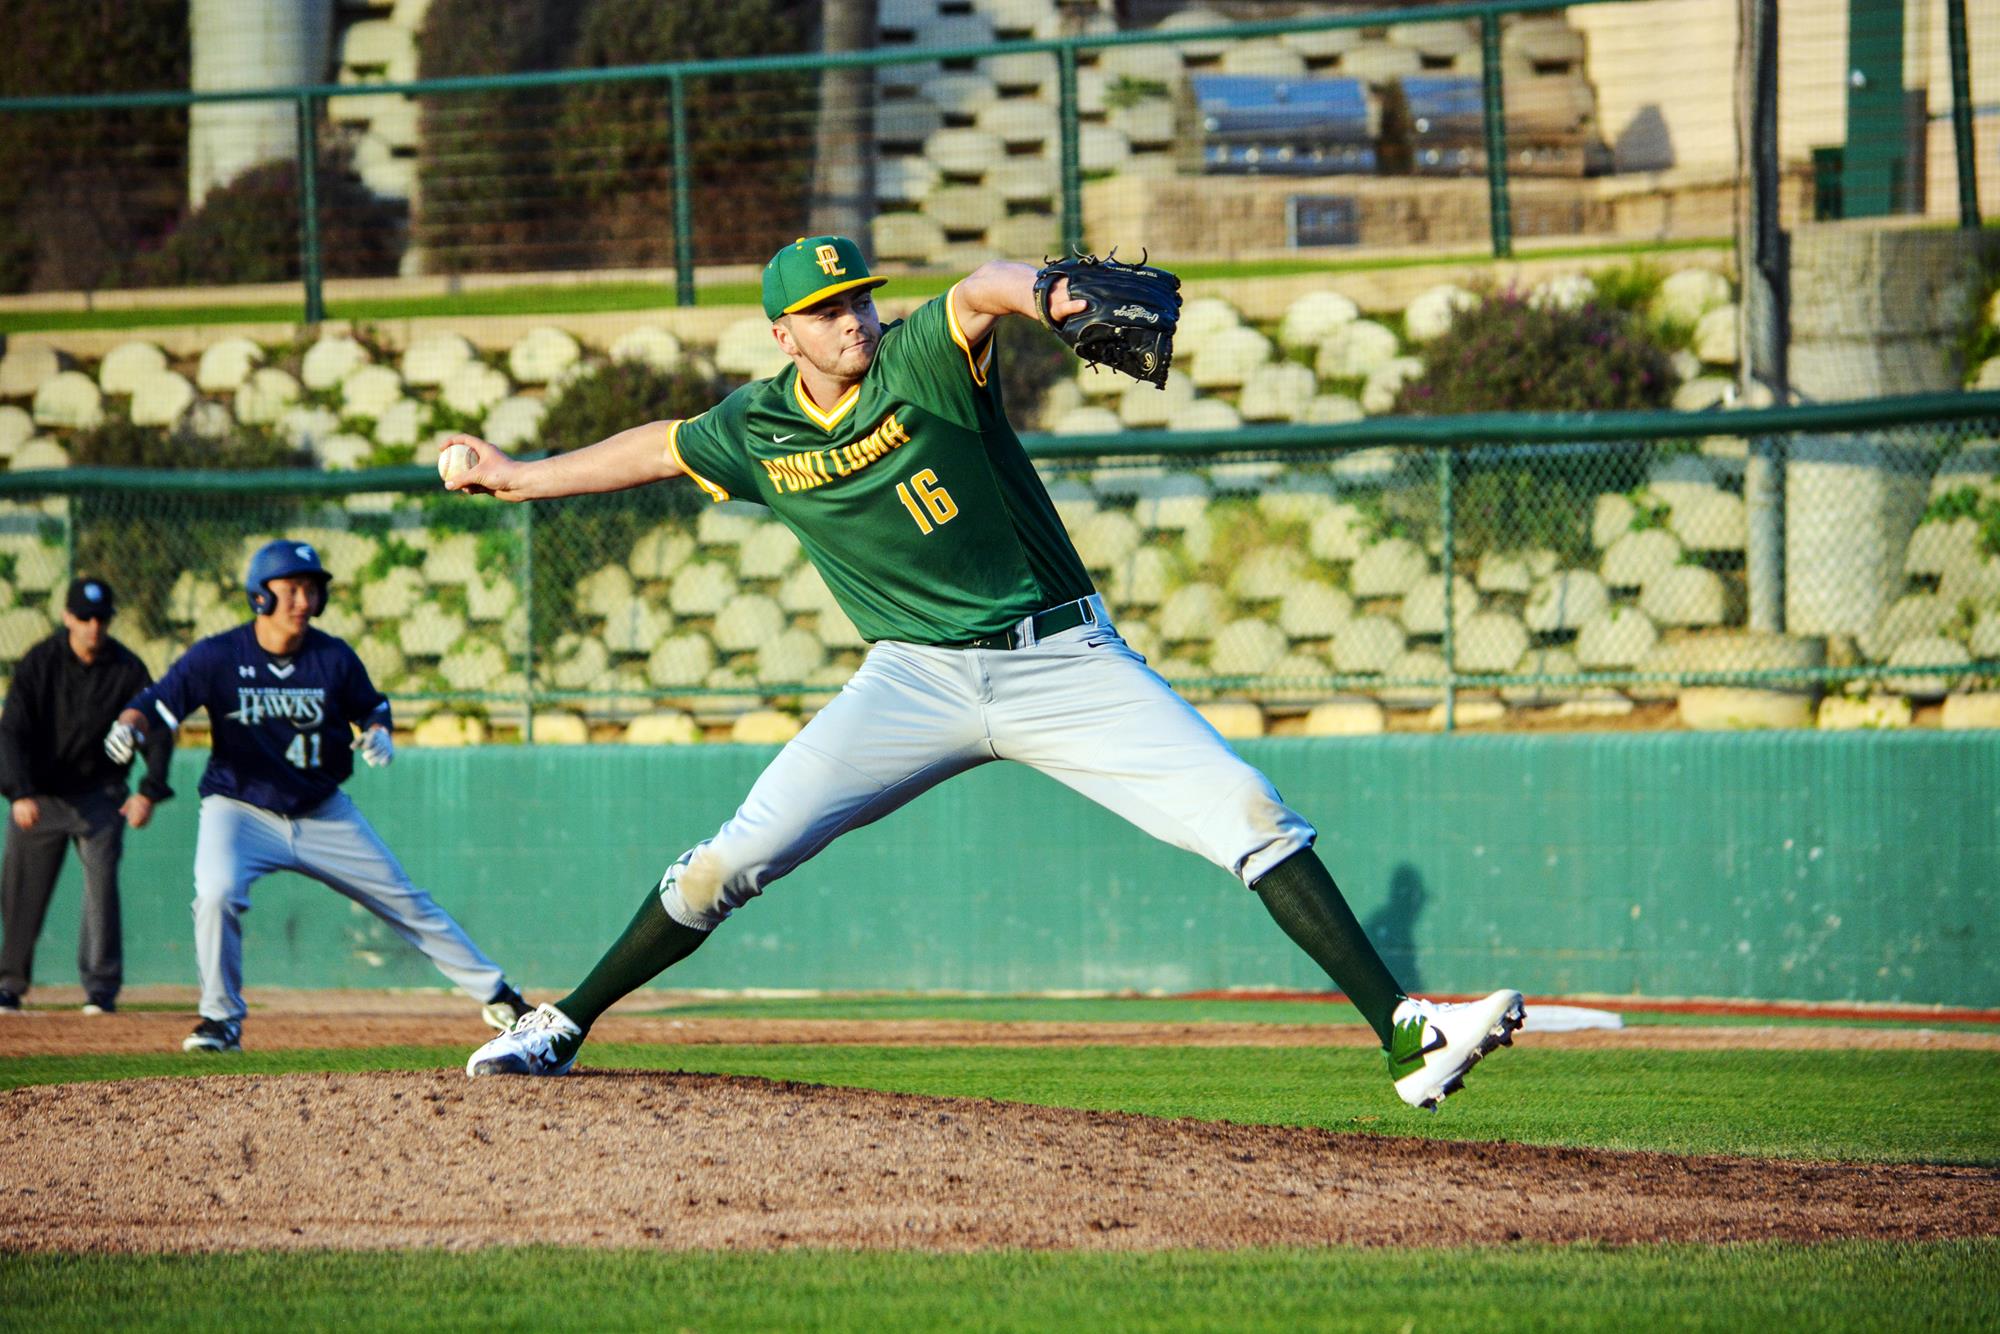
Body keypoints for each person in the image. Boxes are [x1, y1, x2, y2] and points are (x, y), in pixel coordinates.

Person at [453, 236, 1523, 1109]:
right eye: (827, 310)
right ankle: (562, 1022)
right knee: (725, 862)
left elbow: (976, 290)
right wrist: (515, 477)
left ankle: (1405, 1034)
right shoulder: (758, 424)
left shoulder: (919, 357)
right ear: (781, 332)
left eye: (859, 299)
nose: (853, 321)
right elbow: (658, 446)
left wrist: (1049, 290)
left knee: (1245, 807)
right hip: (909, 678)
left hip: (1057, 655)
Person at [103, 539, 532, 1052]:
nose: (304, 601)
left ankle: (499, 996)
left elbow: (372, 707)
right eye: (292, 590)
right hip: (239, 810)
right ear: (259, 597)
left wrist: (378, 731)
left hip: (322, 810)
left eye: (311, 590)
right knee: (215, 893)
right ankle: (220, 1020)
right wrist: (129, 726)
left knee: (405, 900)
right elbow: (156, 701)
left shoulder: (332, 657)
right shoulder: (219, 656)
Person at [0, 577, 173, 1014]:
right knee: (22, 892)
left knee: (101, 889)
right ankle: (9, 985)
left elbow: (156, 727)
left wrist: (148, 792)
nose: (93, 627)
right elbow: (12, 731)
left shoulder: (127, 668)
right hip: (41, 796)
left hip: (101, 795)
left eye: (101, 619)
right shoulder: (41, 662)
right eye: (84, 618)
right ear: (66, 618)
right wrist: (19, 791)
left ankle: (100, 989)